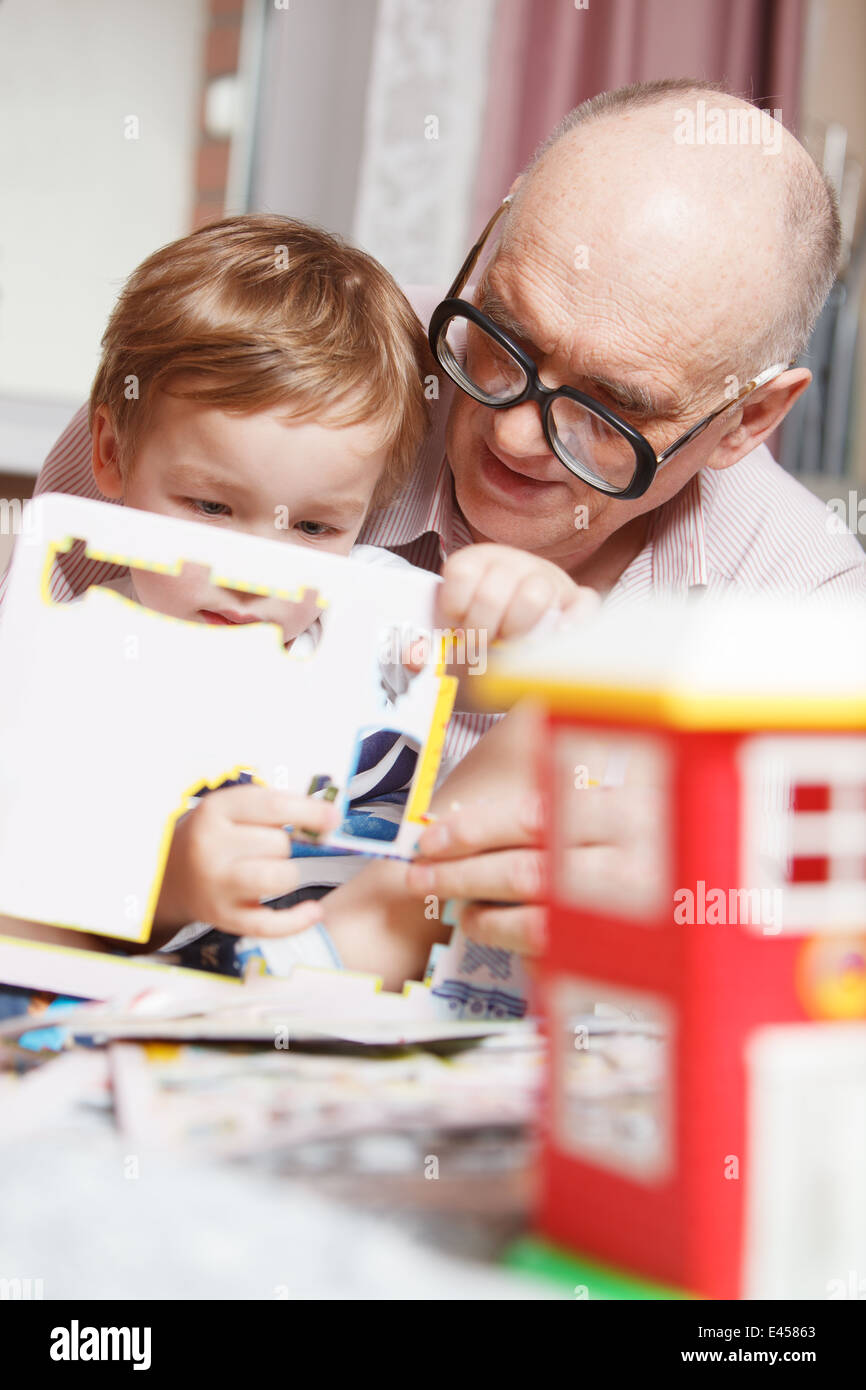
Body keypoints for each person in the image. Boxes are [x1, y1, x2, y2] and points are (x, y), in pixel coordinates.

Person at [7, 80, 866, 987]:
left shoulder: (810, 609)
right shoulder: (272, 379)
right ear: (490, 240)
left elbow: (815, 968)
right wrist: (161, 870)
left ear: (747, 420)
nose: (512, 434)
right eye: (505, 337)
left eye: (610, 408)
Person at [0, 212, 590, 980]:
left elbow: (530, 679)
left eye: (312, 526)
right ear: (110, 454)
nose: (256, 575)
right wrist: (169, 884)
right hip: (143, 964)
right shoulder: (72, 647)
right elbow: (45, 875)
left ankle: (331, 955)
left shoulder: (377, 609)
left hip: (338, 952)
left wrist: (526, 608)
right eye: (211, 509)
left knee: (560, 720)